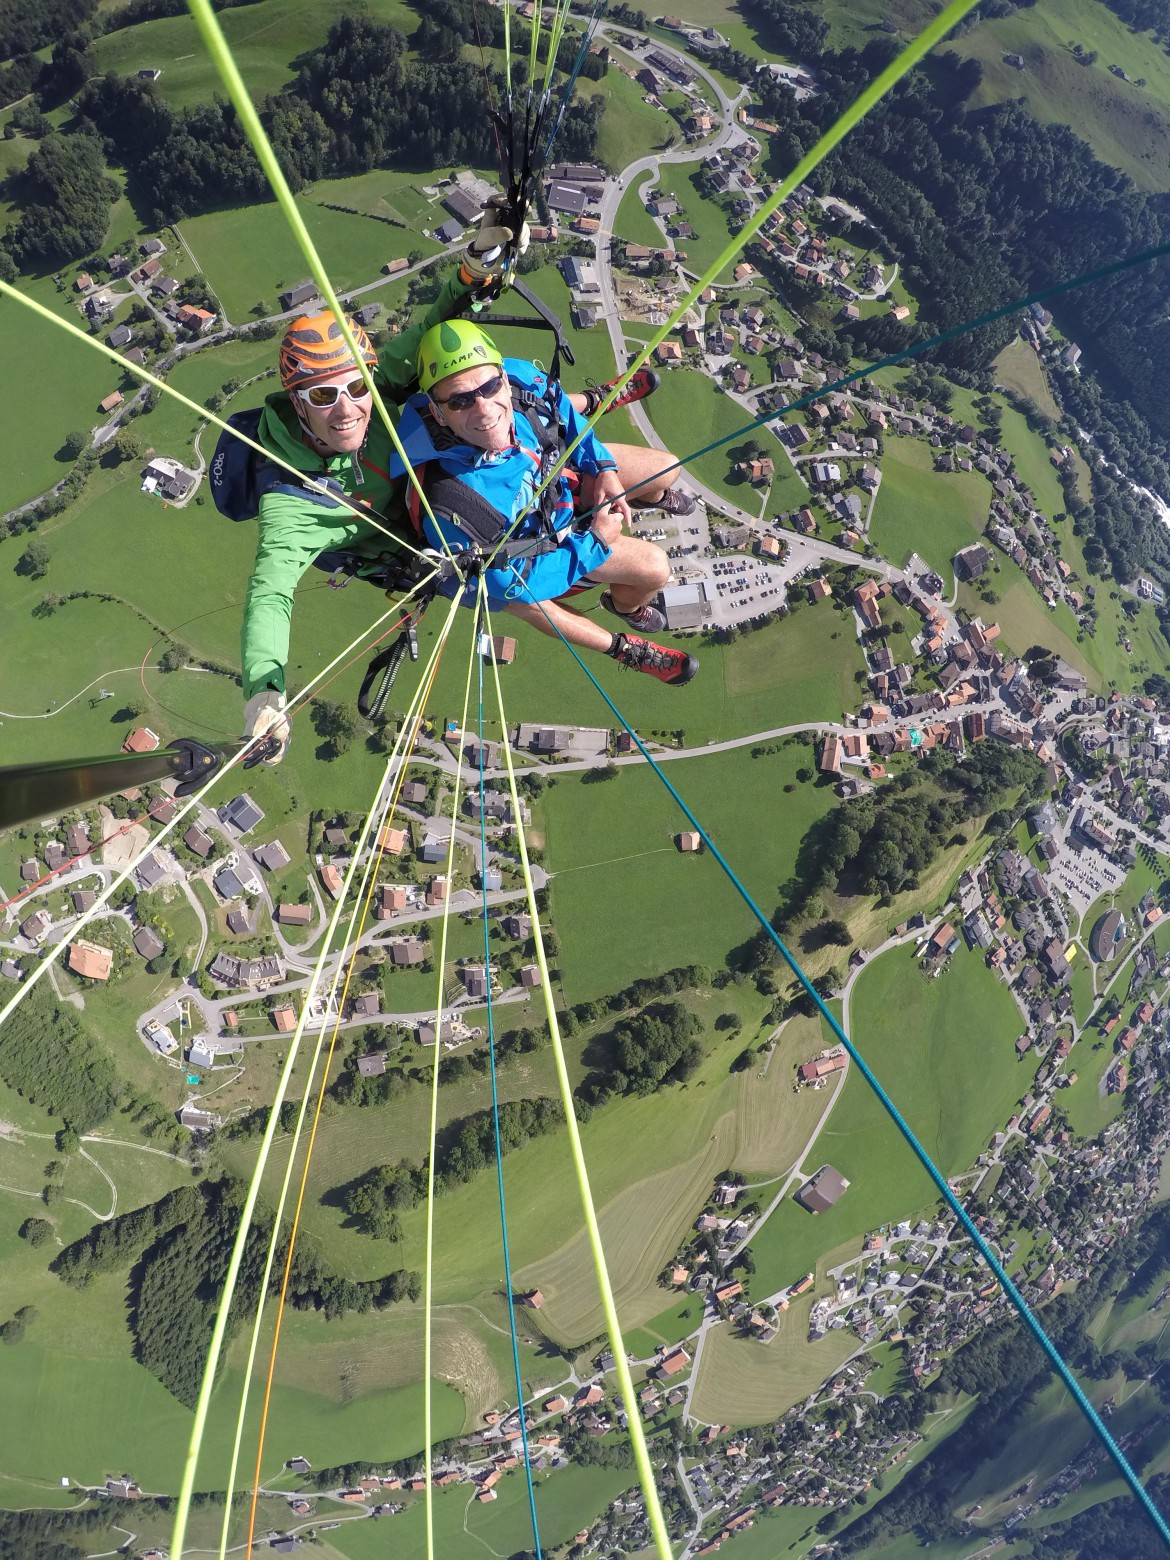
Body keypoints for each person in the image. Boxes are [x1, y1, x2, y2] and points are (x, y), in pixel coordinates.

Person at [238, 236, 668, 762]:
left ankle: (591, 402)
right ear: (297, 402)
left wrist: (474, 268)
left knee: (515, 409)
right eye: (324, 397)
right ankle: (623, 641)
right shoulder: (295, 501)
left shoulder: (376, 385)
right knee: (533, 594)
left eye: (355, 388)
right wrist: (264, 694)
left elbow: (430, 329)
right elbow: (270, 594)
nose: (348, 409)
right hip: (442, 542)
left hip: (466, 452)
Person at [393, 319, 700, 686]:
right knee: (654, 568)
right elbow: (515, 585)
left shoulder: (517, 377)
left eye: (491, 387)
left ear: (503, 379)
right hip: (533, 553)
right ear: (439, 413)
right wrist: (596, 542)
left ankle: (602, 409)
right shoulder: (454, 506)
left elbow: (558, 410)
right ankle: (624, 629)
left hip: (553, 482)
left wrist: (602, 468)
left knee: (667, 468)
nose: (485, 408)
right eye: (461, 400)